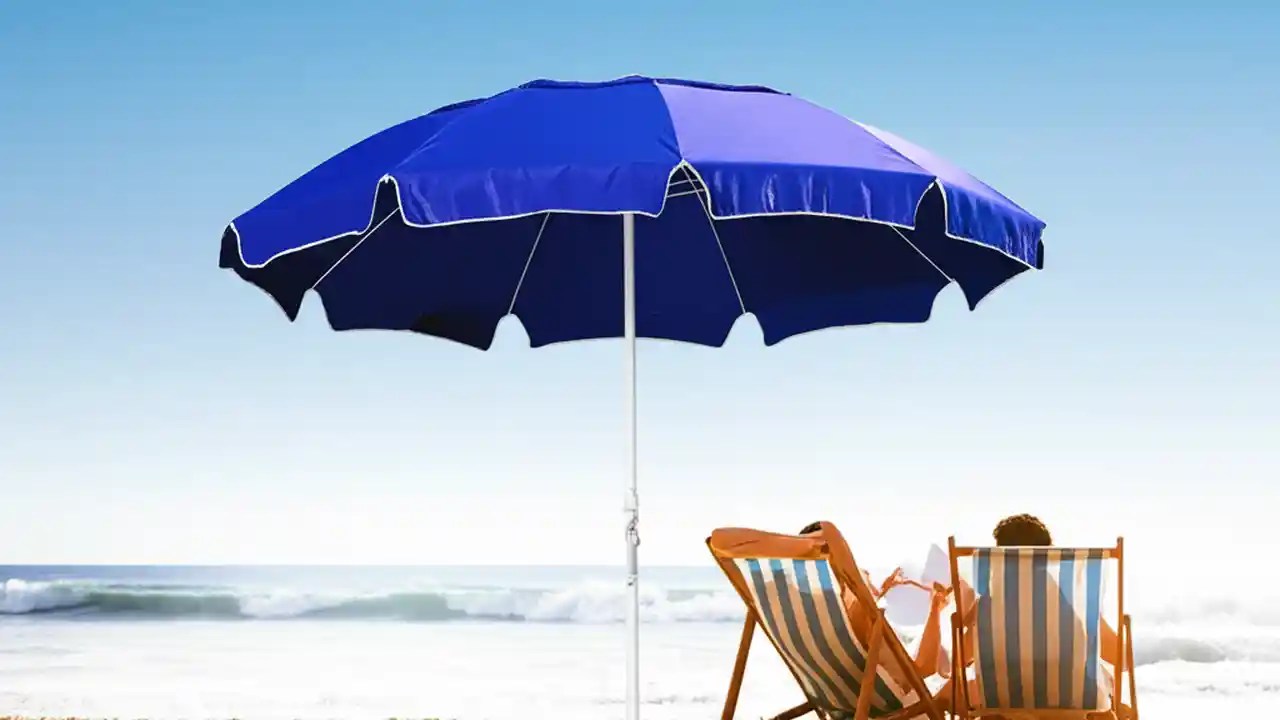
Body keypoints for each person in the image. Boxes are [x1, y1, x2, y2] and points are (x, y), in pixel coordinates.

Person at [913, 514, 1123, 719]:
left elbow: (959, 662)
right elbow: (1119, 657)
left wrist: (956, 618)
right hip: (1074, 711)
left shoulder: (989, 606)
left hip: (1005, 710)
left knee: (955, 694)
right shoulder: (1076, 601)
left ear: (1001, 557)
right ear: (1048, 556)